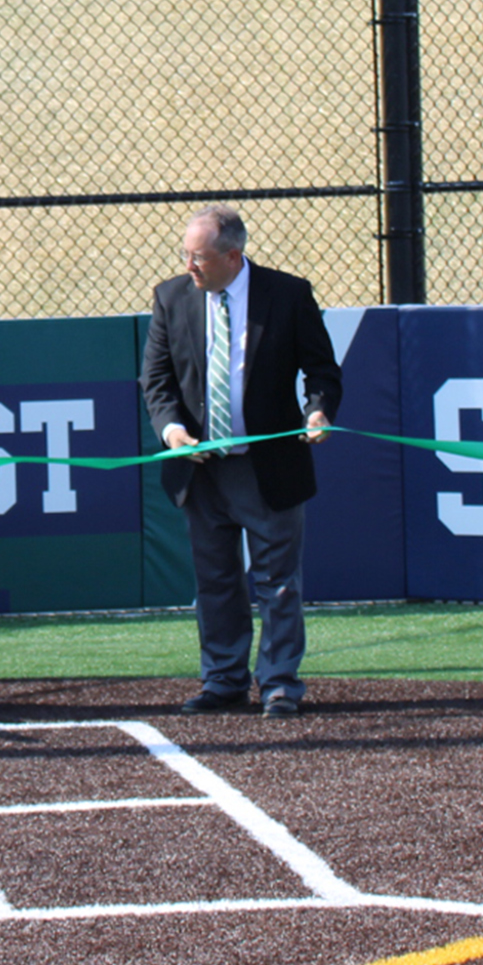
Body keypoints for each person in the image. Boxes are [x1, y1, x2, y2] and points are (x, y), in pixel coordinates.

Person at [139, 204, 342, 718]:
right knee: (216, 579)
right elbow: (156, 380)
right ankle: (223, 679)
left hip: (268, 466)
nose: (189, 266)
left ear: (233, 255)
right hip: (201, 470)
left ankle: (278, 683)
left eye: (199, 257)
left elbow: (322, 370)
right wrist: (172, 429)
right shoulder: (171, 298)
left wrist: (317, 412)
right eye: (185, 255)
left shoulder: (288, 294)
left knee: (278, 581)